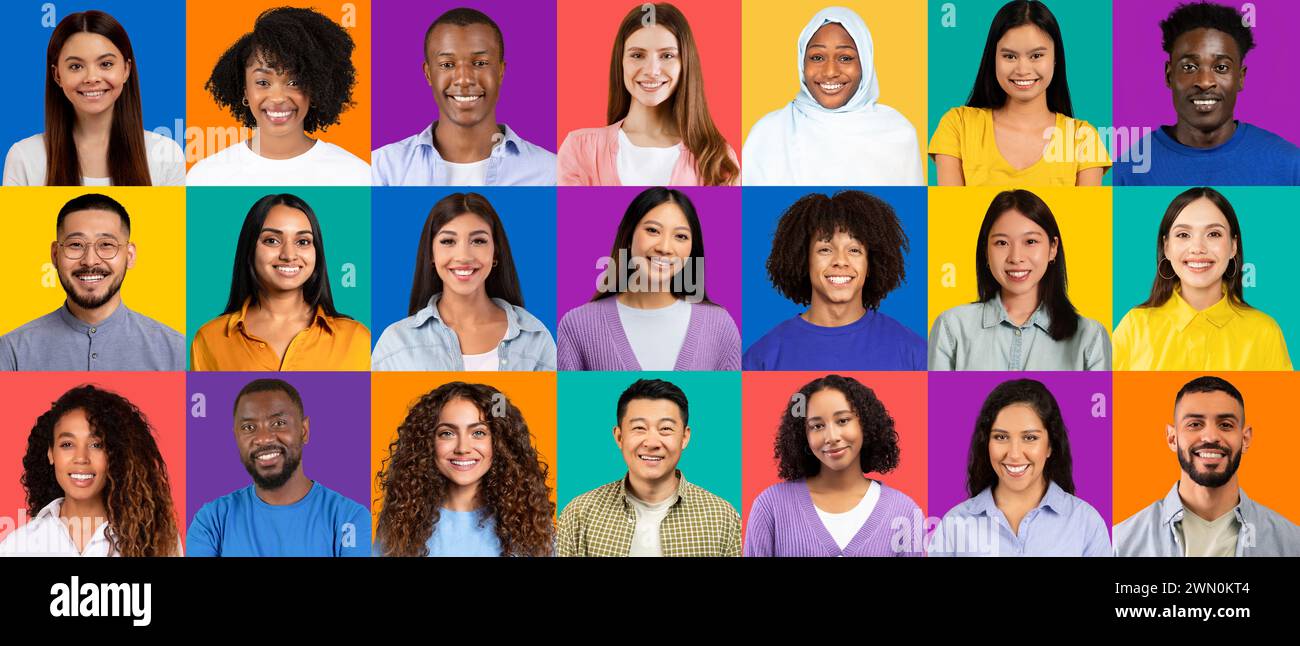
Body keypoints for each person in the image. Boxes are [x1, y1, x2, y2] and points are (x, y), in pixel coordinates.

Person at [1113, 2, 1300, 185]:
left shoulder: (1290, 166)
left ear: (1240, 78)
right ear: (1169, 75)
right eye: (1189, 67)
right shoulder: (1127, 172)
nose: (1204, 82)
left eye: (1221, 67)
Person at [929, 0, 1110, 186]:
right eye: (1009, 56)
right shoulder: (957, 126)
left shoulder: (1083, 138)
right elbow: (951, 213)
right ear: (993, 59)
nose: (1023, 69)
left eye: (1036, 56)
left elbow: (1086, 216)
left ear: (1055, 58)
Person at [557, 187, 740, 370]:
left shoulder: (719, 326)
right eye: (653, 230)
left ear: (692, 248)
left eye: (681, 236)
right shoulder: (577, 325)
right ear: (629, 237)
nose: (665, 247)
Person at [1115, 376, 1300, 556]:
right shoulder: (1119, 544)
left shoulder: (1292, 543)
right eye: (1194, 424)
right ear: (1172, 438)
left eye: (1226, 425)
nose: (1211, 436)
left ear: (1245, 439)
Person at [557, 3, 738, 186]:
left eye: (667, 56)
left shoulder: (717, 159)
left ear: (685, 64)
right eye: (637, 55)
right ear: (621, 63)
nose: (652, 70)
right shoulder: (580, 149)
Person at [371, 7, 556, 186]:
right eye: (447, 64)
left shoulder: (550, 172)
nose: (464, 79)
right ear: (428, 74)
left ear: (501, 71)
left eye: (480, 63)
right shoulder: (384, 169)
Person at [186, 7, 370, 186]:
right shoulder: (206, 177)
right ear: (245, 90)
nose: (278, 98)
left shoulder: (355, 175)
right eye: (263, 83)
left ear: (315, 88)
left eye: (294, 82)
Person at [187, 379, 371, 557]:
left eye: (279, 423)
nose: (264, 438)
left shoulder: (349, 518)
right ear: (236, 437)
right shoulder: (211, 520)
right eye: (249, 427)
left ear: (304, 431)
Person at [372, 192, 555, 371]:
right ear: (431, 254)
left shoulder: (535, 338)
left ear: (495, 253)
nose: (463, 256)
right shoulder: (396, 342)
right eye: (448, 241)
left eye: (478, 241)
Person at [929, 189, 1110, 370]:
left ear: (1053, 248)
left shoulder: (1089, 337)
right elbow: (939, 398)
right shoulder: (952, 327)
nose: (1016, 257)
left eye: (1030, 241)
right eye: (1002, 243)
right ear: (986, 250)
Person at [744, 375, 923, 557]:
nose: (831, 437)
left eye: (843, 421)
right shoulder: (770, 506)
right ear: (803, 435)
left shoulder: (905, 511)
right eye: (817, 426)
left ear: (865, 424)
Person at [0, 193, 184, 371]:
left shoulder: (176, 350)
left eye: (106, 245)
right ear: (55, 255)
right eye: (76, 245)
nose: (89, 261)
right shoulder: (12, 350)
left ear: (129, 256)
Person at [557, 379, 741, 556]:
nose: (652, 442)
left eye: (666, 429)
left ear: (684, 437)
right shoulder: (579, 514)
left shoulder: (722, 517)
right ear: (619, 437)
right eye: (639, 428)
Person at [743, 190, 924, 370]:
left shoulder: (913, 351)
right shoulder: (763, 357)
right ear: (804, 260)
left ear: (871, 263)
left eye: (854, 250)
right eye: (825, 249)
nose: (840, 261)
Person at [1112, 187, 1290, 370]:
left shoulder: (1265, 332)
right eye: (1183, 235)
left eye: (1214, 234)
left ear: (1233, 246)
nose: (1197, 248)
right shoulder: (1135, 326)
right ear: (1166, 247)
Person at [742, 6, 922, 186]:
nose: (830, 72)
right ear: (802, 63)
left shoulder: (898, 133)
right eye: (817, 57)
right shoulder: (767, 133)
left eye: (845, 58)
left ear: (865, 63)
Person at [929, 379, 1109, 557]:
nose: (1014, 454)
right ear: (987, 444)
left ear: (1050, 446)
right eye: (1001, 437)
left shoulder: (1086, 522)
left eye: (1030, 438)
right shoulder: (954, 524)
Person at [191, 194, 371, 371]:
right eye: (272, 240)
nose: (289, 255)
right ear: (249, 248)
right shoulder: (209, 339)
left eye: (302, 241)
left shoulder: (357, 340)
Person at [3, 10, 184, 186]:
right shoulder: (24, 157)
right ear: (57, 75)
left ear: (126, 70)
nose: (92, 78)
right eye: (75, 66)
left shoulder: (166, 155)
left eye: (106, 64)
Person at [374, 382, 555, 556]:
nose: (462, 448)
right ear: (427, 442)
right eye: (447, 433)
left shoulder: (531, 526)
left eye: (478, 433)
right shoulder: (400, 524)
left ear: (500, 442)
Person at [0, 385, 181, 557]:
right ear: (51, 454)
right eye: (67, 444)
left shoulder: (157, 540)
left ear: (114, 454)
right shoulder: (17, 546)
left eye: (96, 445)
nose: (81, 458)